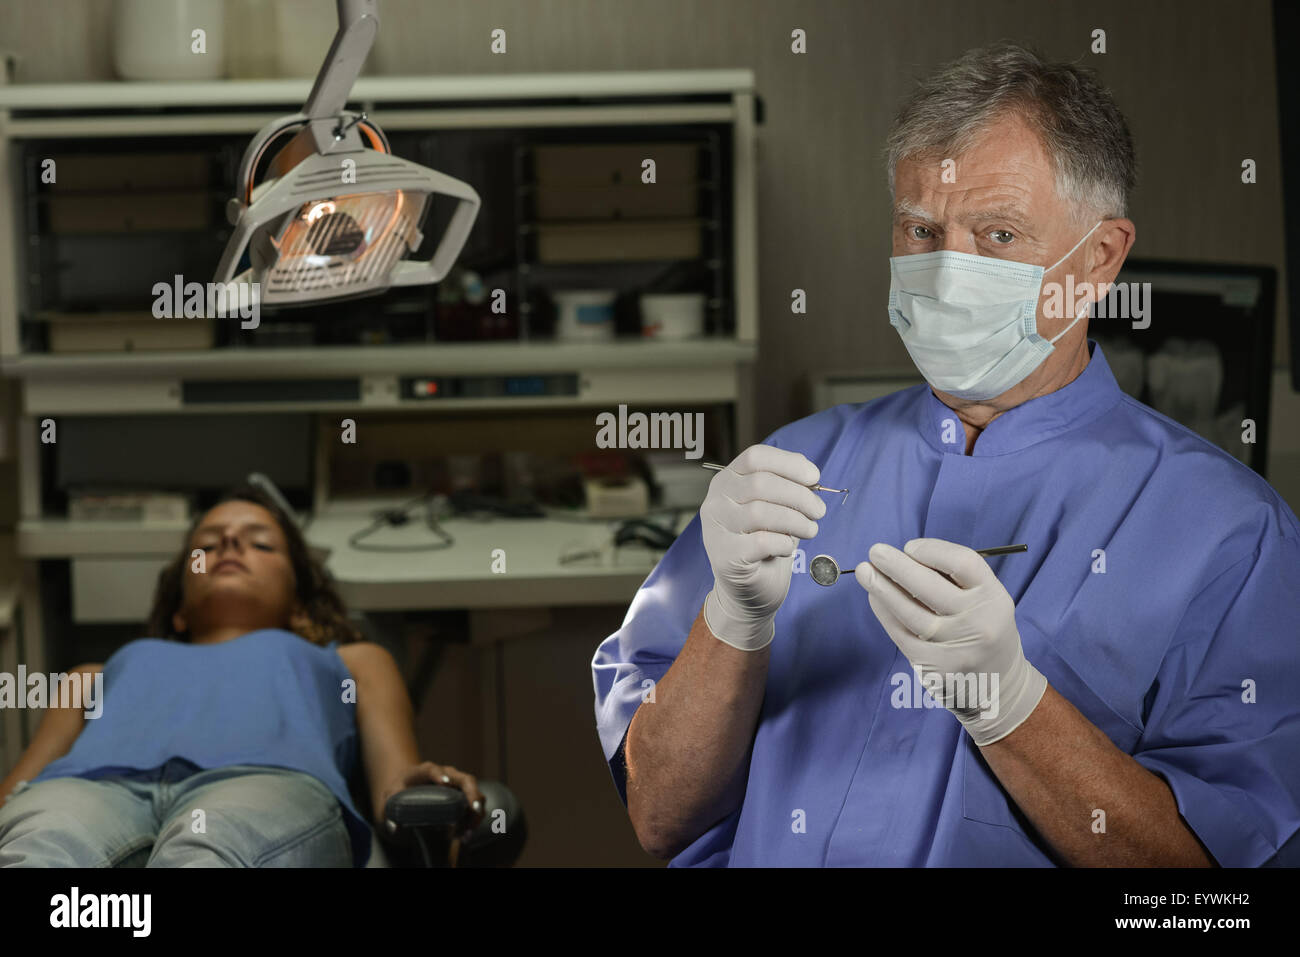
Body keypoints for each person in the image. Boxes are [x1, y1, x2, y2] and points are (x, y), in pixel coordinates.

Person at [592, 42, 1300, 867]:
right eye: (922, 230)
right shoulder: (791, 467)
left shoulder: (1230, 535)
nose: (948, 271)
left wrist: (1010, 705)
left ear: (1098, 260)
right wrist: (731, 620)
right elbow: (659, 814)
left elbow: (1205, 894)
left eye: (997, 234)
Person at [0, 484, 484, 867]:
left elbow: (394, 788)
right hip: (89, 791)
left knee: (213, 846)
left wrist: (419, 787)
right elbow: (14, 796)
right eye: (206, 545)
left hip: (263, 784)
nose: (229, 543)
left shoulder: (353, 660)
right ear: (179, 612)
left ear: (298, 606)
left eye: (260, 543)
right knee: (40, 842)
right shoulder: (91, 677)